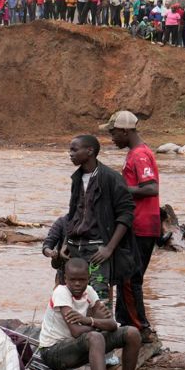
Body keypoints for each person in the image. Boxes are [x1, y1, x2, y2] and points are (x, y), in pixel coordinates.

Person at [37, 257, 156, 370]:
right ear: (65, 279)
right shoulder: (61, 292)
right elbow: (76, 331)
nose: (77, 284)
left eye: (82, 280)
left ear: (88, 278)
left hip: (78, 346)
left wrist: (88, 320)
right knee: (95, 337)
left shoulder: (90, 292)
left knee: (131, 333)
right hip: (53, 352)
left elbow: (112, 324)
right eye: (73, 280)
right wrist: (96, 323)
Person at [63, 134, 138, 314]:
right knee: (73, 297)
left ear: (90, 151)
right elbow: (73, 213)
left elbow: (127, 214)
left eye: (74, 149)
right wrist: (65, 241)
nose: (70, 154)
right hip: (74, 248)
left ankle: (103, 338)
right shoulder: (77, 178)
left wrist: (109, 248)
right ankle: (79, 337)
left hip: (97, 249)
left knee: (99, 300)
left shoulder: (110, 178)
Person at [102, 111, 158, 340]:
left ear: (125, 131)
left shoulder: (140, 155)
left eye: (113, 133)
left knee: (129, 278)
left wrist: (119, 189)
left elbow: (151, 188)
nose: (112, 138)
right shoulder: (136, 153)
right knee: (129, 276)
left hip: (140, 224)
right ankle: (126, 324)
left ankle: (140, 328)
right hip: (141, 223)